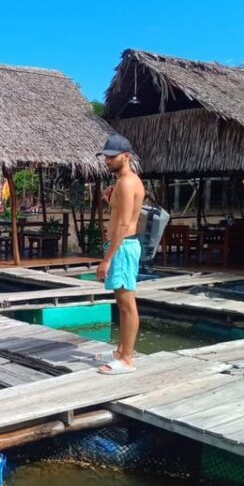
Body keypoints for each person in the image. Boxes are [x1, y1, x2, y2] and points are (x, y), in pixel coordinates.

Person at [95, 134, 145, 374]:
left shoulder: (127, 183)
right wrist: (110, 200)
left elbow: (124, 225)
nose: (107, 161)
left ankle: (127, 359)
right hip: (122, 246)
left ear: (126, 156)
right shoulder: (124, 182)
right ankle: (121, 350)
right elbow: (121, 215)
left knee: (127, 304)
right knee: (122, 302)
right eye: (106, 157)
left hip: (123, 247)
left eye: (111, 157)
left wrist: (107, 258)